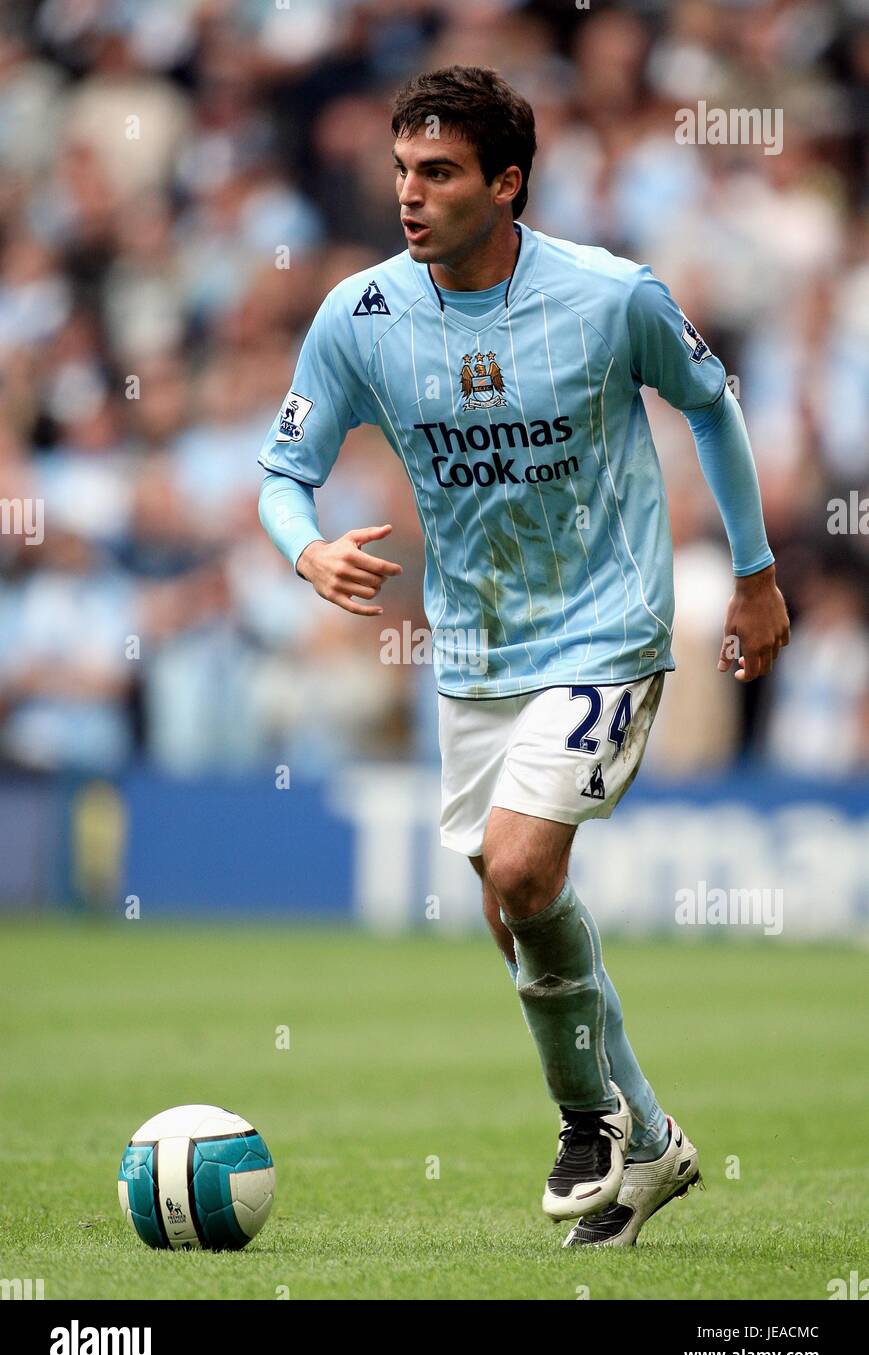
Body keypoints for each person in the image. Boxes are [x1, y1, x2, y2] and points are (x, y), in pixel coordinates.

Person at [258, 65, 789, 1248]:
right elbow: (279, 473)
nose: (408, 194)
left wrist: (752, 576)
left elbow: (708, 402)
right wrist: (306, 552)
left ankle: (582, 1118)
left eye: (437, 173)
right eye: (399, 170)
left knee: (518, 868)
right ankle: (650, 1141)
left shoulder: (609, 297)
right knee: (514, 908)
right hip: (474, 652)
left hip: (606, 629)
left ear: (505, 184)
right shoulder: (361, 315)